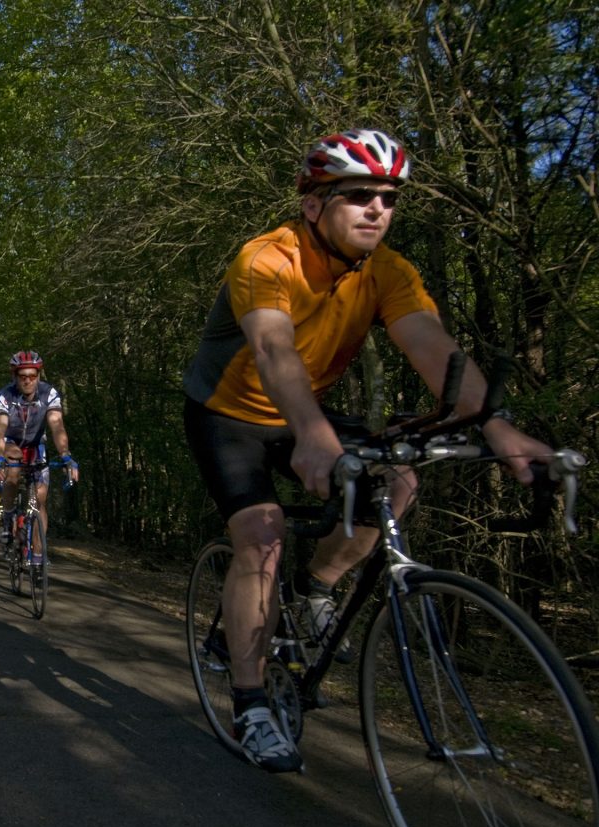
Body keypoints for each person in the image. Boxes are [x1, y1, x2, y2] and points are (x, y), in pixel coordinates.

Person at [182, 129, 552, 773]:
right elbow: (273, 350)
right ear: (313, 205)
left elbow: (432, 347)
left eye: (387, 197)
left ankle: (315, 585)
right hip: (228, 414)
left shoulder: (389, 272)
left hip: (303, 411)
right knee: (262, 533)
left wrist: (498, 425)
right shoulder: (266, 259)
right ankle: (251, 705)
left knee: (401, 478)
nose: (377, 209)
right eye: (357, 196)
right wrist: (315, 435)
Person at [0, 351, 80, 566]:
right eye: (23, 376)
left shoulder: (49, 393)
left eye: (33, 375)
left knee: (40, 500)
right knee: (12, 473)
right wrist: (0, 457)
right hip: (11, 443)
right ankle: (8, 517)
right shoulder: (5, 396)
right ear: (15, 377)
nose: (28, 380)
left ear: (38, 375)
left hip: (36, 445)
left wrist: (66, 456)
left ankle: (38, 554)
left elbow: (57, 426)